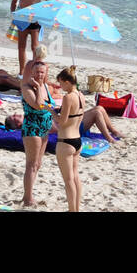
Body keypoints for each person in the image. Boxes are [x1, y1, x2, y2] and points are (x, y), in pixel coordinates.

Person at [20, 59, 55, 207]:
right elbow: (38, 105)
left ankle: (28, 194)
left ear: (46, 73)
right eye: (37, 72)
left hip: (45, 128)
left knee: (38, 164)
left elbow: (49, 105)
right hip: (32, 128)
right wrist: (38, 87)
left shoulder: (46, 86)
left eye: (42, 72)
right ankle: (28, 198)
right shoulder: (27, 88)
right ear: (31, 73)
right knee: (31, 164)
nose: (39, 75)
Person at [10, 0, 52, 73]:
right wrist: (13, 14)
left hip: (35, 20)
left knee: (35, 47)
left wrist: (44, 15)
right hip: (22, 19)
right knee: (21, 47)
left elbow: (50, 1)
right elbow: (14, 1)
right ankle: (21, 72)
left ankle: (35, 70)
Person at [54, 66, 85, 212]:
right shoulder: (81, 95)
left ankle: (72, 210)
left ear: (67, 82)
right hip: (77, 140)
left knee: (68, 180)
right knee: (75, 176)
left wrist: (50, 111)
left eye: (60, 83)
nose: (60, 87)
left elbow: (62, 121)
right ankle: (76, 209)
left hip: (65, 141)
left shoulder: (68, 97)